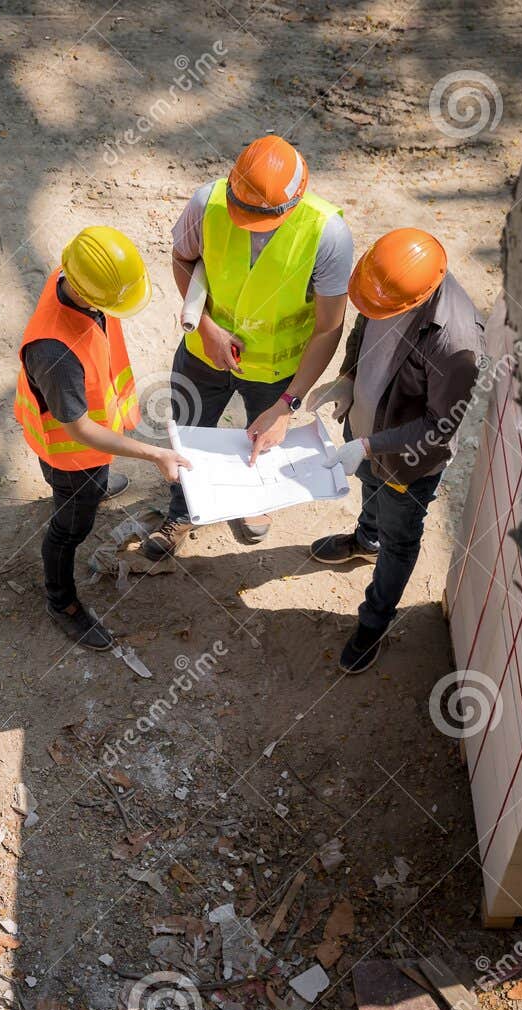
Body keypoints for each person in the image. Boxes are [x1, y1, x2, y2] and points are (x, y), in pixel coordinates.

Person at [143, 134, 352, 560]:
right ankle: (183, 510)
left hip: (276, 371)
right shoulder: (207, 203)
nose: (245, 223)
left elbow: (329, 328)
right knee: (189, 433)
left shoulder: (328, 234)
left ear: (293, 203)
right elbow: (182, 259)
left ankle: (248, 501)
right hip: (204, 353)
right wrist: (206, 328)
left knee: (262, 441)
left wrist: (287, 406)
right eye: (241, 211)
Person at [307, 228, 484, 673]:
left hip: (408, 462)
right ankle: (366, 539)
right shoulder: (382, 287)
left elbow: (440, 426)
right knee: (370, 489)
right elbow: (363, 326)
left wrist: (369, 444)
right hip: (368, 436)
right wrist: (348, 379)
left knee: (400, 540)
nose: (371, 309)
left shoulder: (456, 343)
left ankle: (375, 620)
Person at [15, 226, 191, 651]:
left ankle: (90, 487)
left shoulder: (73, 274)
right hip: (74, 455)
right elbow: (79, 429)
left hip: (83, 442)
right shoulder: (54, 352)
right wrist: (155, 455)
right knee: (69, 529)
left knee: (89, 485)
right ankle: (61, 602)